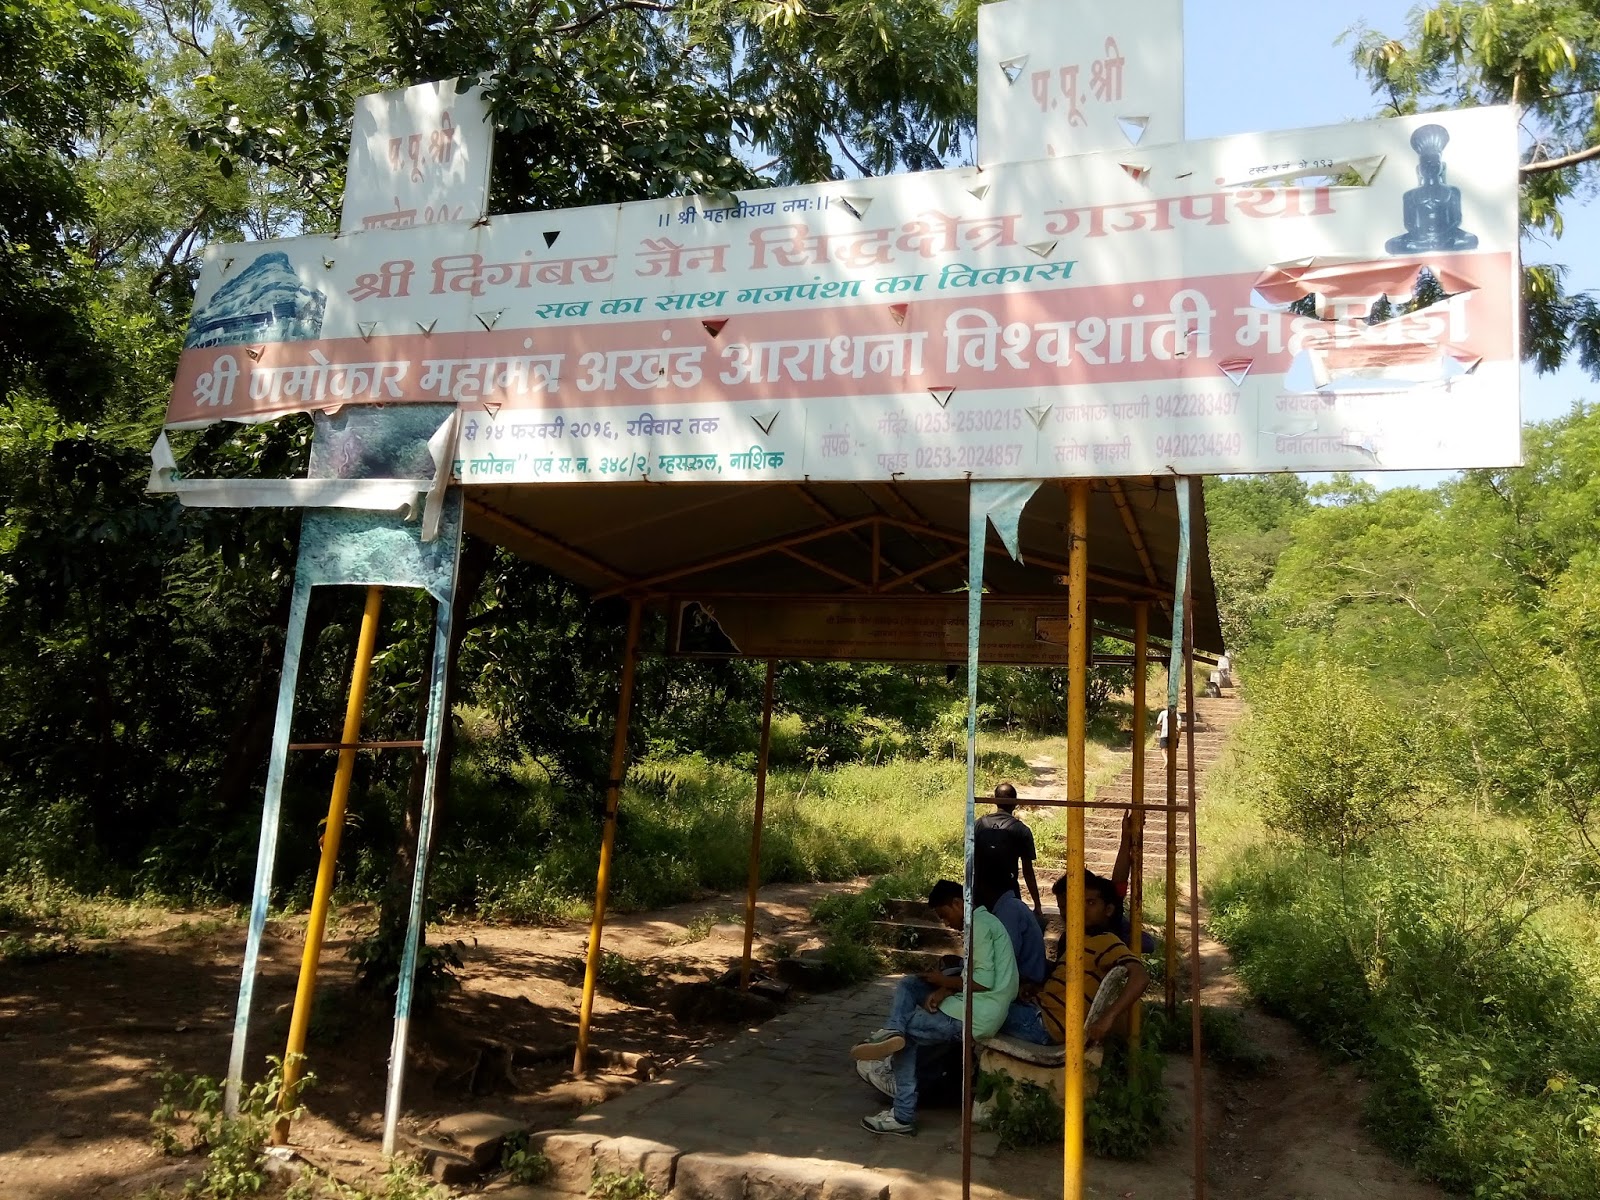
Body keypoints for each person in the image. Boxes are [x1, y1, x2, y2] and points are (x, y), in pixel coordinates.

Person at [851, 879, 1019, 1136]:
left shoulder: (981, 926)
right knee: (910, 984)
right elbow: (972, 974)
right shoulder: (982, 923)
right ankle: (891, 1031)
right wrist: (943, 988)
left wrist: (944, 982)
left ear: (957, 903)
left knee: (907, 1035)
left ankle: (902, 1114)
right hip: (970, 1004)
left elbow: (983, 982)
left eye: (944, 915)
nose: (946, 923)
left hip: (977, 1014)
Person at [1001, 872, 1148, 1047]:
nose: (1082, 909)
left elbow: (1140, 977)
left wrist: (1108, 1018)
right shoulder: (1081, 941)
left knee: (975, 1012)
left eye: (1091, 903)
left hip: (1045, 1024)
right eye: (1080, 902)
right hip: (1040, 1013)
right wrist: (1037, 989)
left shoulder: (1107, 941)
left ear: (1108, 910)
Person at [974, 783, 1043, 918]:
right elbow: (1027, 871)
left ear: (994, 800)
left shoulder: (979, 824)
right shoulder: (1022, 830)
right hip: (1007, 893)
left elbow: (969, 860)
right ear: (1015, 803)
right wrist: (1037, 904)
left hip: (980, 894)